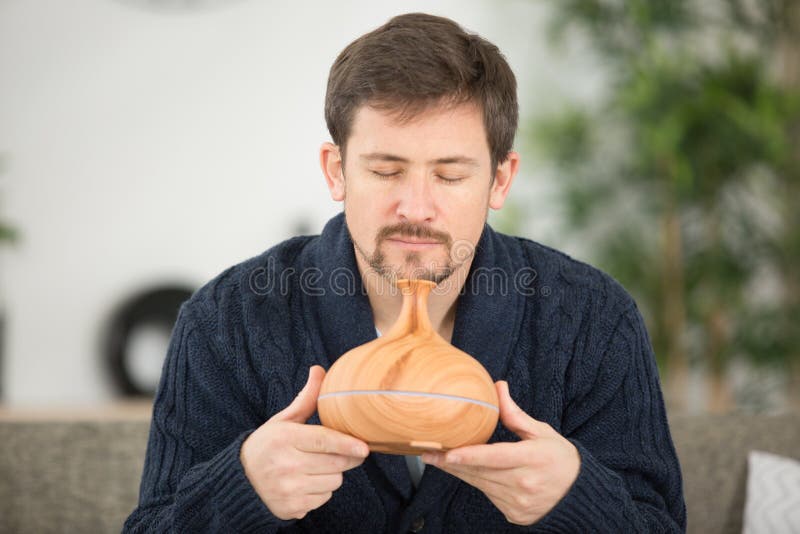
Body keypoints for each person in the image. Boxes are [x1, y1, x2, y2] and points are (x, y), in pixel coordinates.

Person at [124, 12, 686, 533]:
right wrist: (242, 489)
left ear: (499, 181)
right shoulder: (227, 322)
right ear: (337, 170)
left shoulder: (594, 320)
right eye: (387, 170)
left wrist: (576, 496)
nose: (416, 208)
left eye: (450, 175)